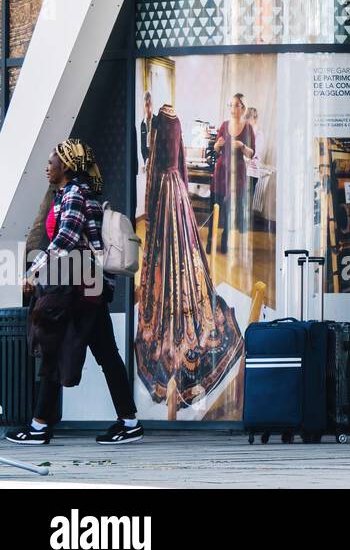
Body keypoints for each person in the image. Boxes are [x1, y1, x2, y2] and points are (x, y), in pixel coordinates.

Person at [5, 140, 142, 447]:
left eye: (51, 161)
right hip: (86, 286)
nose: (47, 166)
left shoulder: (75, 194)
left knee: (55, 348)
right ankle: (130, 423)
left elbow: (66, 238)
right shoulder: (71, 193)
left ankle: (40, 427)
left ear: (65, 165)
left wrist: (33, 270)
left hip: (78, 287)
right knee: (106, 354)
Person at [136, 103, 244, 410]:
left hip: (164, 192)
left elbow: (155, 167)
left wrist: (154, 204)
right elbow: (181, 162)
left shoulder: (160, 121)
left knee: (168, 258)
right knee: (185, 256)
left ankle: (170, 324)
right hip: (178, 192)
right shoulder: (176, 120)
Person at [209, 92, 255, 254]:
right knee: (214, 207)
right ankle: (210, 241)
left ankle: (225, 241)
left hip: (237, 174)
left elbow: (251, 153)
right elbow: (216, 149)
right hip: (221, 172)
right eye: (231, 104)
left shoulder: (247, 127)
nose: (233, 108)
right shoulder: (223, 125)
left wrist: (242, 146)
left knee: (230, 210)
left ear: (243, 108)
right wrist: (217, 145)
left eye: (236, 105)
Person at [139, 91, 153, 165]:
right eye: (146, 105)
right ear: (144, 106)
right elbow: (143, 146)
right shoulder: (142, 124)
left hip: (156, 157)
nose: (148, 108)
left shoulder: (156, 120)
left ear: (152, 104)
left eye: (149, 104)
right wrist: (146, 159)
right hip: (147, 158)